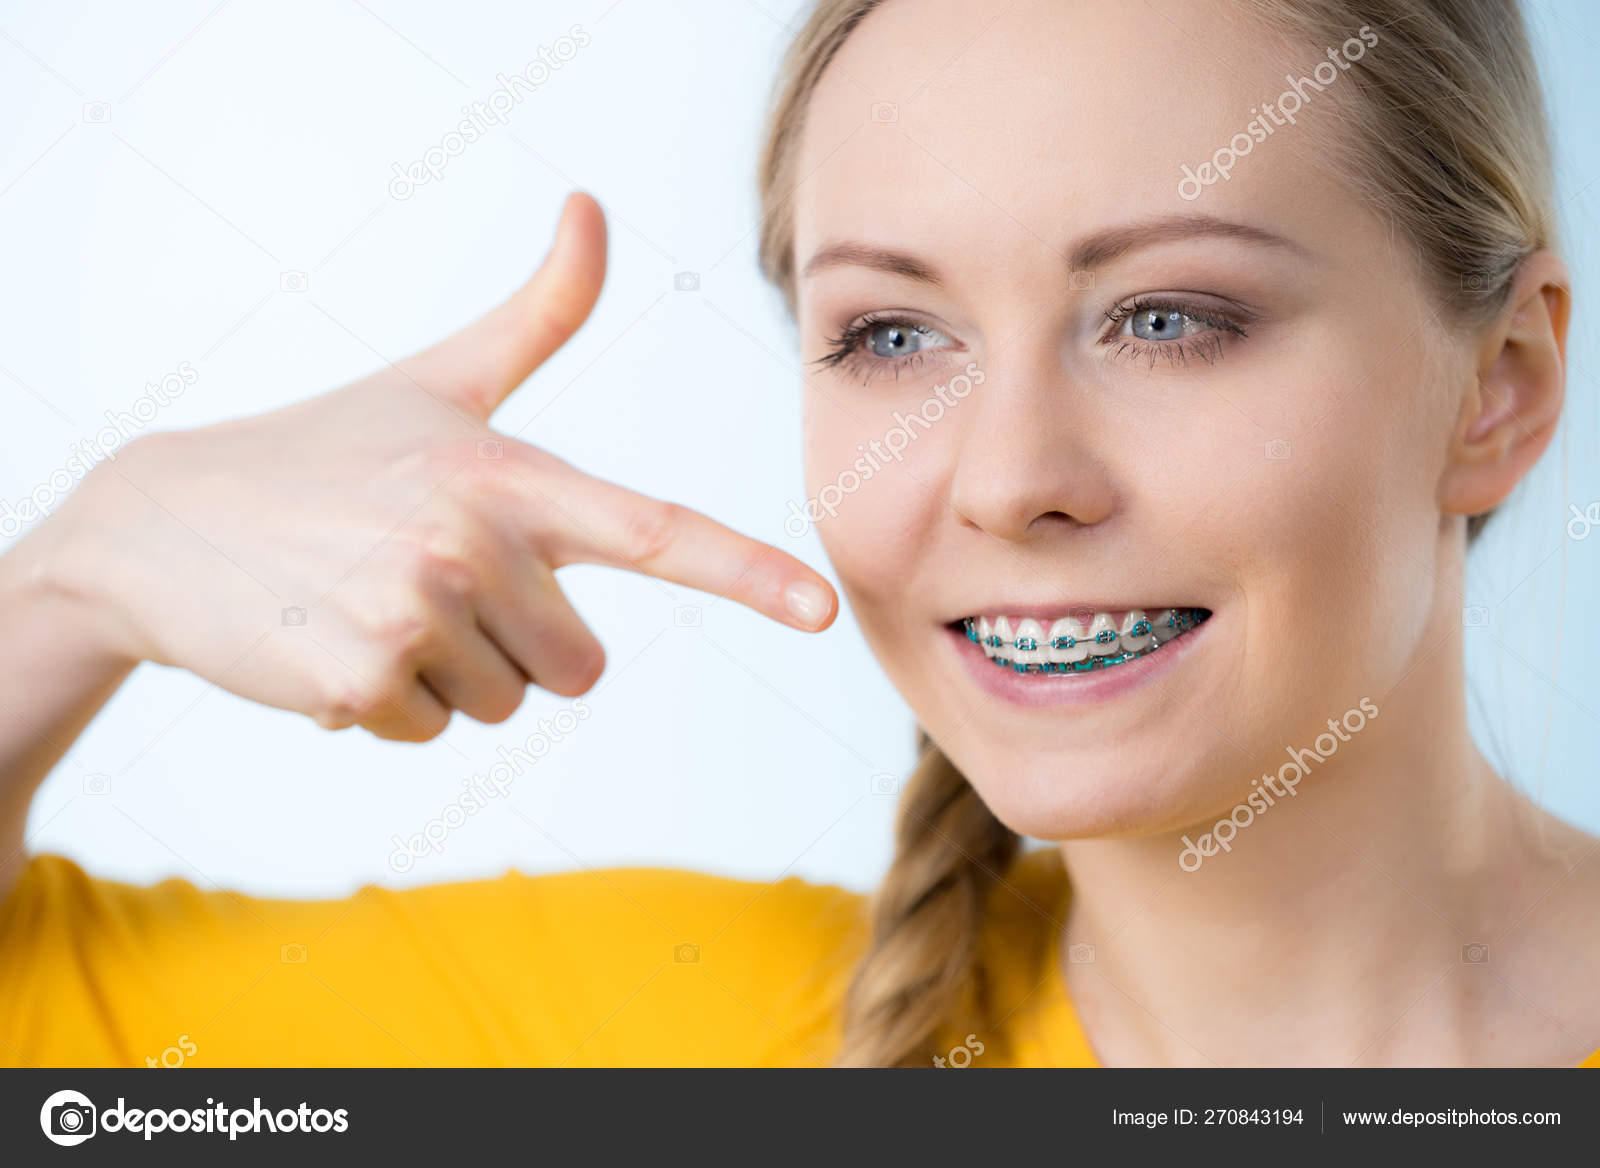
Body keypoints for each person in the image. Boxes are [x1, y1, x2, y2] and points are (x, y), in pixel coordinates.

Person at [2, 0, 1596, 1068]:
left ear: (1501, 388)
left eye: (1168, 317)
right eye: (894, 336)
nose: (1005, 481)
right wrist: (82, 569)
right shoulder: (672, 1038)